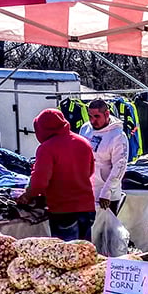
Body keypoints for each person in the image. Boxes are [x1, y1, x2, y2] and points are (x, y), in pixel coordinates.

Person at [17, 109, 95, 242]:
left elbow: (39, 183)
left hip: (63, 210)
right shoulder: (83, 143)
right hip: (87, 208)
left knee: (65, 258)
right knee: (85, 257)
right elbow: (90, 171)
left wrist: (27, 195)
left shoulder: (46, 148)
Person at [79, 99, 129, 213]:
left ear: (106, 114)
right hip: (86, 192)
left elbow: (120, 166)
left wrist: (106, 192)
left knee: (107, 230)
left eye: (97, 116)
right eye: (90, 116)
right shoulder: (85, 129)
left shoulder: (118, 136)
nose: (93, 120)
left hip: (106, 196)